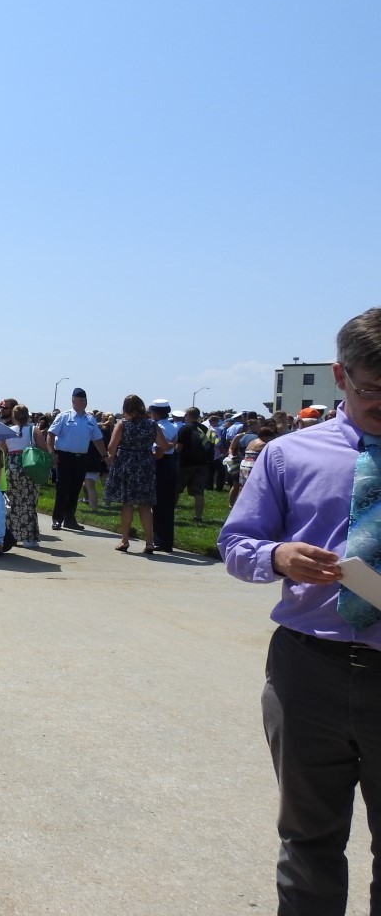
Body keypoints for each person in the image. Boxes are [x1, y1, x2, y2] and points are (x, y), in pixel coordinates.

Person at [219, 307, 381, 915]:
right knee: (309, 842)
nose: (380, 404)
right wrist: (279, 555)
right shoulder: (289, 455)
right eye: (370, 389)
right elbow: (236, 544)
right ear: (341, 376)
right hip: (309, 670)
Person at [104, 395, 169, 554]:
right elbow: (164, 446)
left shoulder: (123, 424)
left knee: (127, 504)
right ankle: (149, 542)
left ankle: (124, 540)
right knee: (145, 505)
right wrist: (157, 452)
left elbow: (112, 447)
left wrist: (111, 458)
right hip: (145, 463)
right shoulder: (152, 425)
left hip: (126, 463)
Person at [47, 387, 107, 532]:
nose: (84, 402)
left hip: (81, 458)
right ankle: (57, 519)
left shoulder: (90, 419)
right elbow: (51, 435)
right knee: (62, 489)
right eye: (81, 400)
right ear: (73, 400)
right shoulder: (64, 416)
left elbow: (97, 439)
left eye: (85, 400)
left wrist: (105, 456)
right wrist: (51, 453)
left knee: (75, 489)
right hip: (64, 456)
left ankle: (70, 519)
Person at [4, 404, 45, 548]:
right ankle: (29, 538)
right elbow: (44, 449)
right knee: (29, 502)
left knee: (12, 502)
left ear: (13, 417)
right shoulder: (34, 430)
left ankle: (11, 535)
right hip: (29, 466)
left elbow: (3, 450)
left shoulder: (7, 431)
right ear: (28, 416)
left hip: (11, 467)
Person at [148, 399, 182, 552]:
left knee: (158, 505)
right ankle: (167, 540)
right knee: (167, 505)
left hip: (160, 463)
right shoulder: (173, 426)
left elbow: (158, 451)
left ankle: (160, 540)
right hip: (171, 464)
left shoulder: (158, 427)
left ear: (154, 412)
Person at [174, 407, 213, 525]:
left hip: (185, 464)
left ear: (187, 415)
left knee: (176, 491)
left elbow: (178, 448)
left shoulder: (184, 429)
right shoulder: (205, 428)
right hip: (202, 464)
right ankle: (198, 517)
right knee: (199, 493)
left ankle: (170, 513)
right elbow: (213, 445)